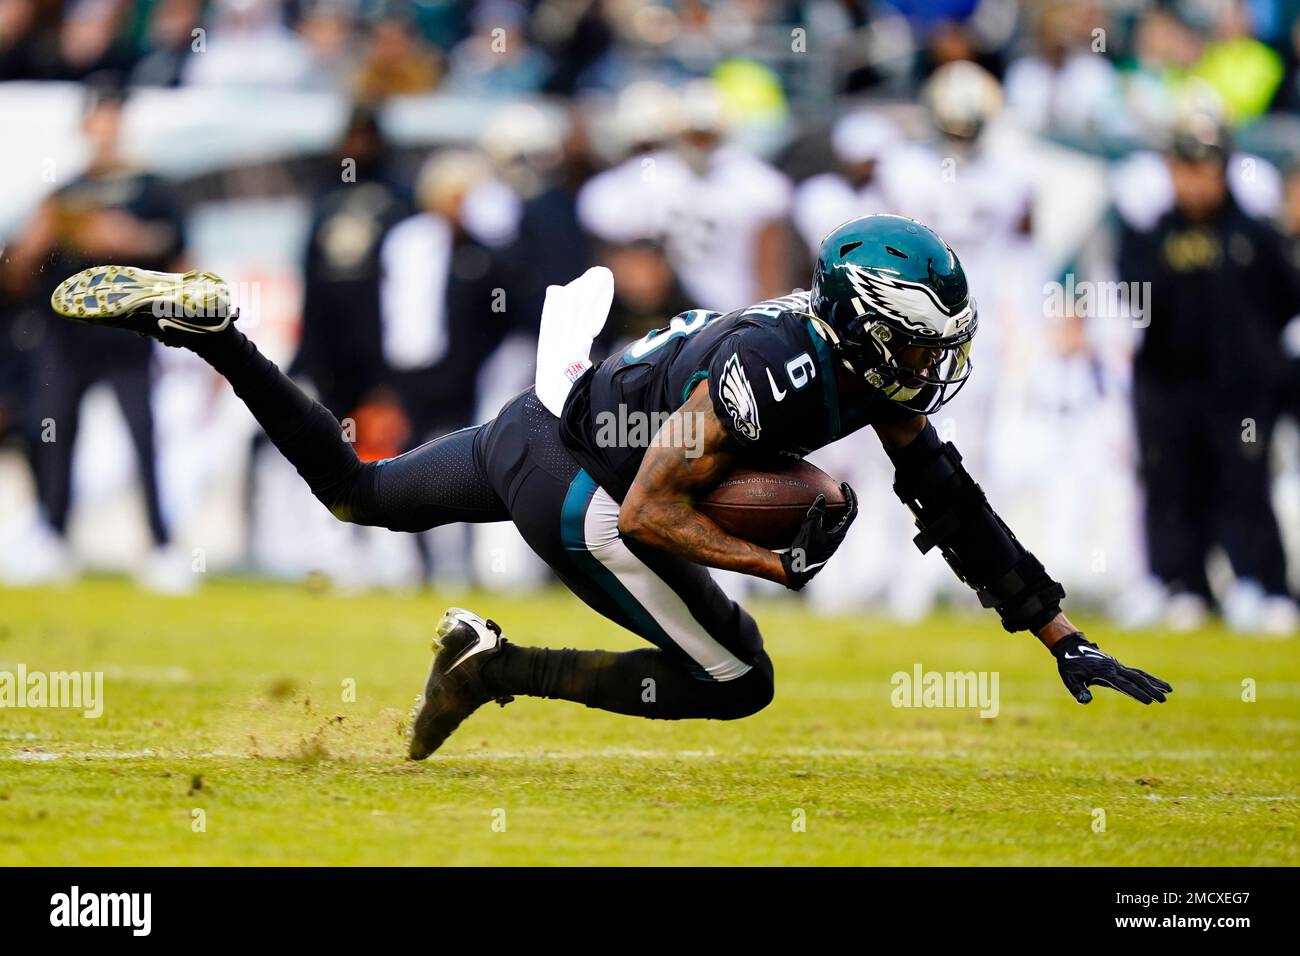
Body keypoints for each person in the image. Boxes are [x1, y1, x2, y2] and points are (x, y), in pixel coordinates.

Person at [49, 214, 1172, 760]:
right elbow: (648, 513)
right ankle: (501, 667)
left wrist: (1052, 626)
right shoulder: (775, 372)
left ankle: (219, 337)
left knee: (357, 489)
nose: (928, 370)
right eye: (917, 345)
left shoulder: (841, 358)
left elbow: (946, 493)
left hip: (546, 420)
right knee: (737, 681)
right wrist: (771, 558)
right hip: (585, 482)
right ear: (866, 324)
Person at [1118, 117, 1300, 634]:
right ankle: (1181, 585)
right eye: (1185, 167)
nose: (1196, 180)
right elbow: (1131, 302)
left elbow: (1288, 300)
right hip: (1168, 386)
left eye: (1205, 168)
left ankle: (1264, 587)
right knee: (1170, 485)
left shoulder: (1256, 235)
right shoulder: (1150, 233)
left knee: (1245, 486)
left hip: (1241, 390)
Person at [4, 83, 188, 590]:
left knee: (143, 440)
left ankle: (163, 547)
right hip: (67, 340)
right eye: (97, 118)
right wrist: (34, 238)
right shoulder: (62, 192)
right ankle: (51, 538)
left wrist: (125, 236)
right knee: (56, 436)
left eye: (112, 117)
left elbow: (175, 254)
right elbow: (18, 272)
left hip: (129, 338)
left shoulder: (150, 188)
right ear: (86, 127)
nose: (105, 129)